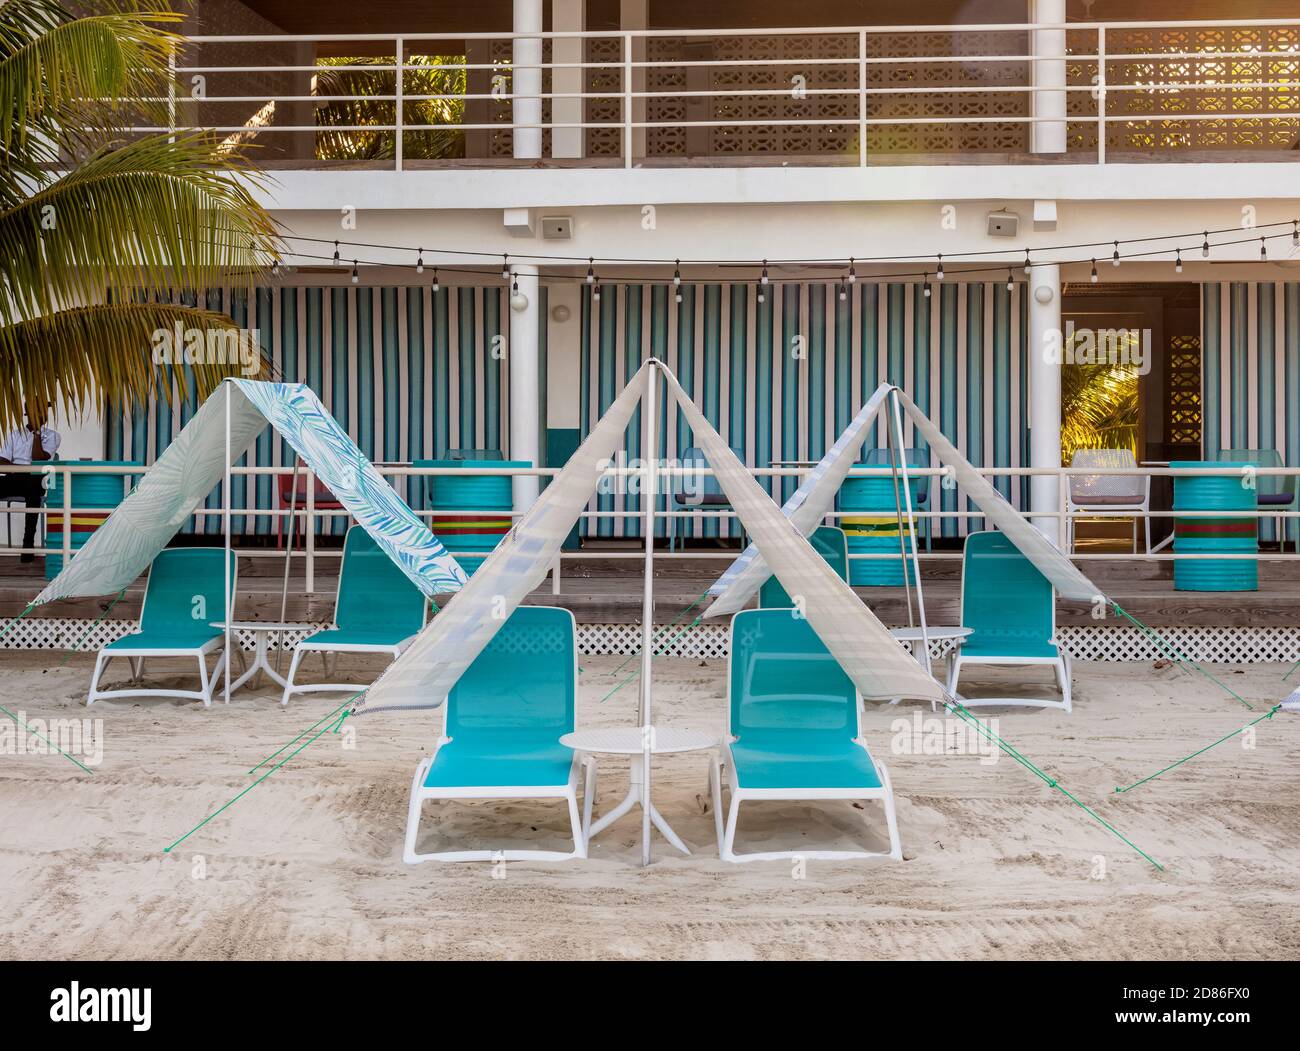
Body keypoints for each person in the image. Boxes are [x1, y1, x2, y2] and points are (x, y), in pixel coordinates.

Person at [0, 404, 61, 563]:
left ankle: (28, 545)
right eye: (37, 411)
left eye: (43, 412)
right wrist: (22, 469)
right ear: (27, 413)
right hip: (15, 478)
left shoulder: (53, 436)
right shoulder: (14, 434)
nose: (41, 414)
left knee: (34, 487)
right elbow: (2, 461)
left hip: (37, 479)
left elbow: (39, 458)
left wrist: (37, 433)